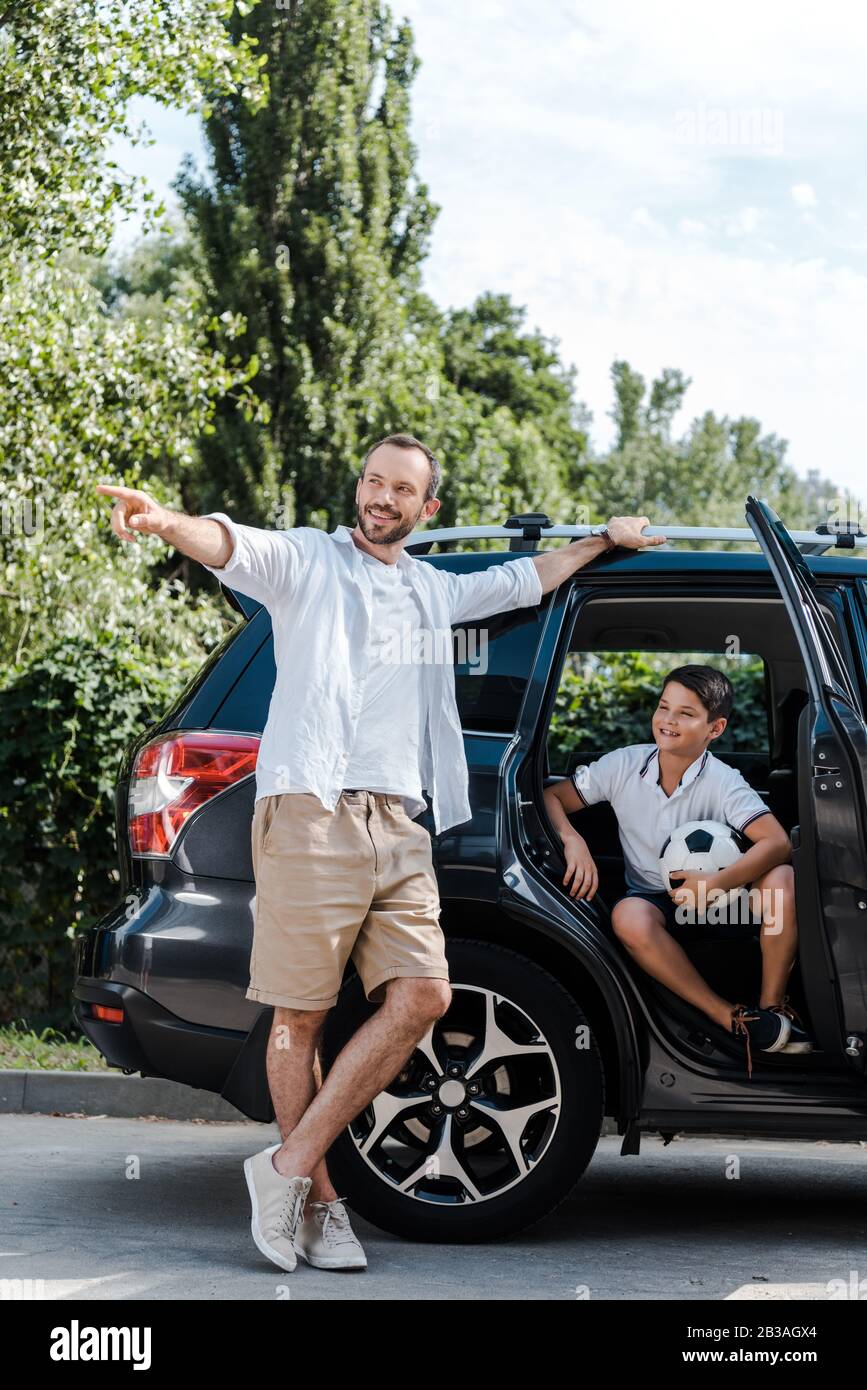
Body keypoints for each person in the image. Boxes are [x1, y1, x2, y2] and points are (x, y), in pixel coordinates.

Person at [97, 434, 661, 1271]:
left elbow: (525, 578)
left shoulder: (434, 591)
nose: (380, 499)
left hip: (399, 822)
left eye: (400, 489)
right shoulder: (307, 565)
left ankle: (286, 1164)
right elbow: (231, 540)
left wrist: (603, 542)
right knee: (300, 1015)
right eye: (371, 482)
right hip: (313, 810)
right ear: (357, 488)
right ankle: (320, 1203)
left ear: (426, 508)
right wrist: (164, 520)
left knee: (425, 995)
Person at [543, 664, 815, 1076]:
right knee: (627, 916)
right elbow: (551, 798)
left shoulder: (725, 782)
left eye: (686, 714)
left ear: (715, 728)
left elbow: (777, 843)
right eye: (663, 707)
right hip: (656, 898)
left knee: (781, 880)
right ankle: (726, 1016)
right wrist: (573, 840)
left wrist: (715, 883)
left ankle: (770, 1009)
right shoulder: (624, 765)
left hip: (722, 898)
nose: (668, 720)